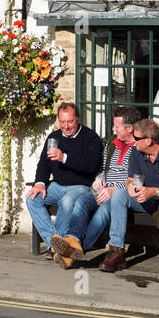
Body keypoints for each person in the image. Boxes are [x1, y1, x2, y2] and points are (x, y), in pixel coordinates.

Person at [99, 120, 159, 277]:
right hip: (146, 197)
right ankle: (117, 251)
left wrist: (155, 192)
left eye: (136, 138)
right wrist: (132, 187)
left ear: (148, 140)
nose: (133, 141)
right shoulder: (137, 151)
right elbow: (131, 179)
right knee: (120, 194)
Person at [25, 101, 101, 267]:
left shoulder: (90, 137)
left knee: (67, 201)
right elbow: (43, 165)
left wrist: (64, 158)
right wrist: (40, 184)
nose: (66, 126)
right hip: (57, 185)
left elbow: (91, 166)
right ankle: (57, 245)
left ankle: (59, 247)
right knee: (32, 199)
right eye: (63, 122)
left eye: (70, 122)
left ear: (78, 120)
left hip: (80, 186)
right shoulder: (54, 137)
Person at [77, 105, 139, 255]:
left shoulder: (140, 147)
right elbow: (103, 169)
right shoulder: (112, 144)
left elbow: (138, 178)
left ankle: (81, 247)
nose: (113, 129)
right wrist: (99, 180)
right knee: (81, 202)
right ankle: (73, 239)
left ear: (129, 128)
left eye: (117, 126)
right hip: (104, 189)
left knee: (104, 210)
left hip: (123, 194)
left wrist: (114, 189)